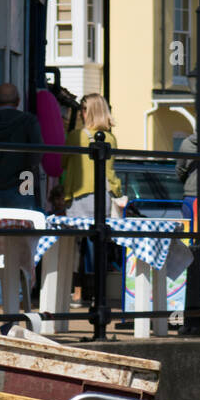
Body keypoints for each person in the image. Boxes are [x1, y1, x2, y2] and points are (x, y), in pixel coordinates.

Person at [62, 95, 124, 310]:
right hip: (102, 197)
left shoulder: (75, 136)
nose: (80, 112)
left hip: (79, 195)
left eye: (83, 108)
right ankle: (98, 295)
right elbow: (110, 172)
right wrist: (117, 191)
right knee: (98, 246)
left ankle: (77, 293)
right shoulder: (110, 138)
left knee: (76, 246)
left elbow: (63, 162)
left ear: (89, 111)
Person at [0, 82, 43, 209]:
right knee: (23, 224)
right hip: (24, 183)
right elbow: (37, 154)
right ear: (18, 101)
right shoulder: (28, 121)